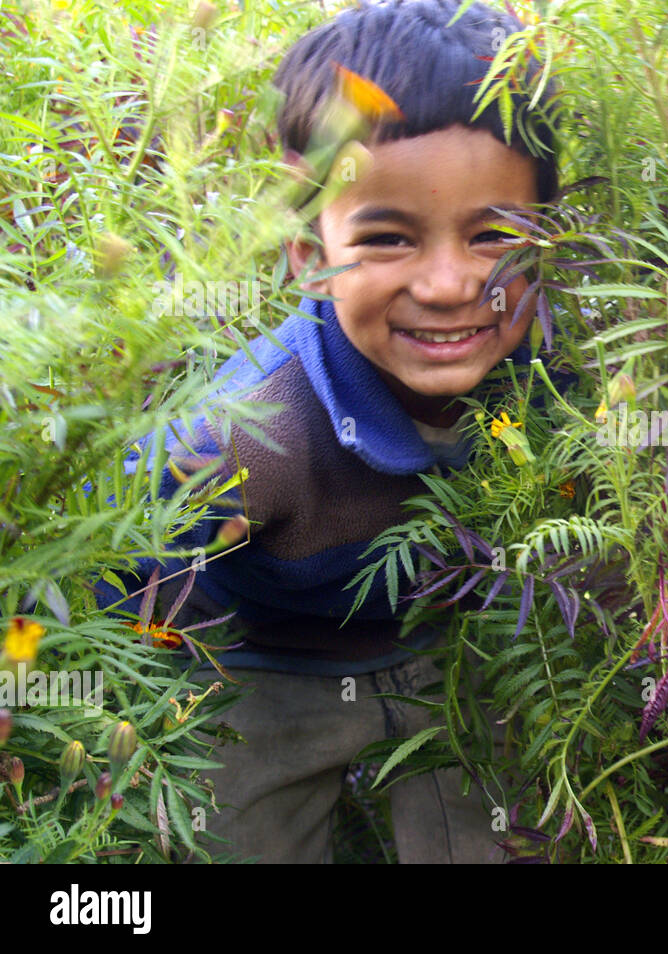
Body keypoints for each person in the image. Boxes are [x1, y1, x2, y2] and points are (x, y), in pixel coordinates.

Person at [95, 0, 565, 863]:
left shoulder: (562, 380)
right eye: (388, 238)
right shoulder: (247, 439)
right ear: (308, 254)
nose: (452, 283)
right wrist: (110, 718)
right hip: (261, 665)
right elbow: (114, 570)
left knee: (516, 840)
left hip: (454, 644)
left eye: (495, 232)